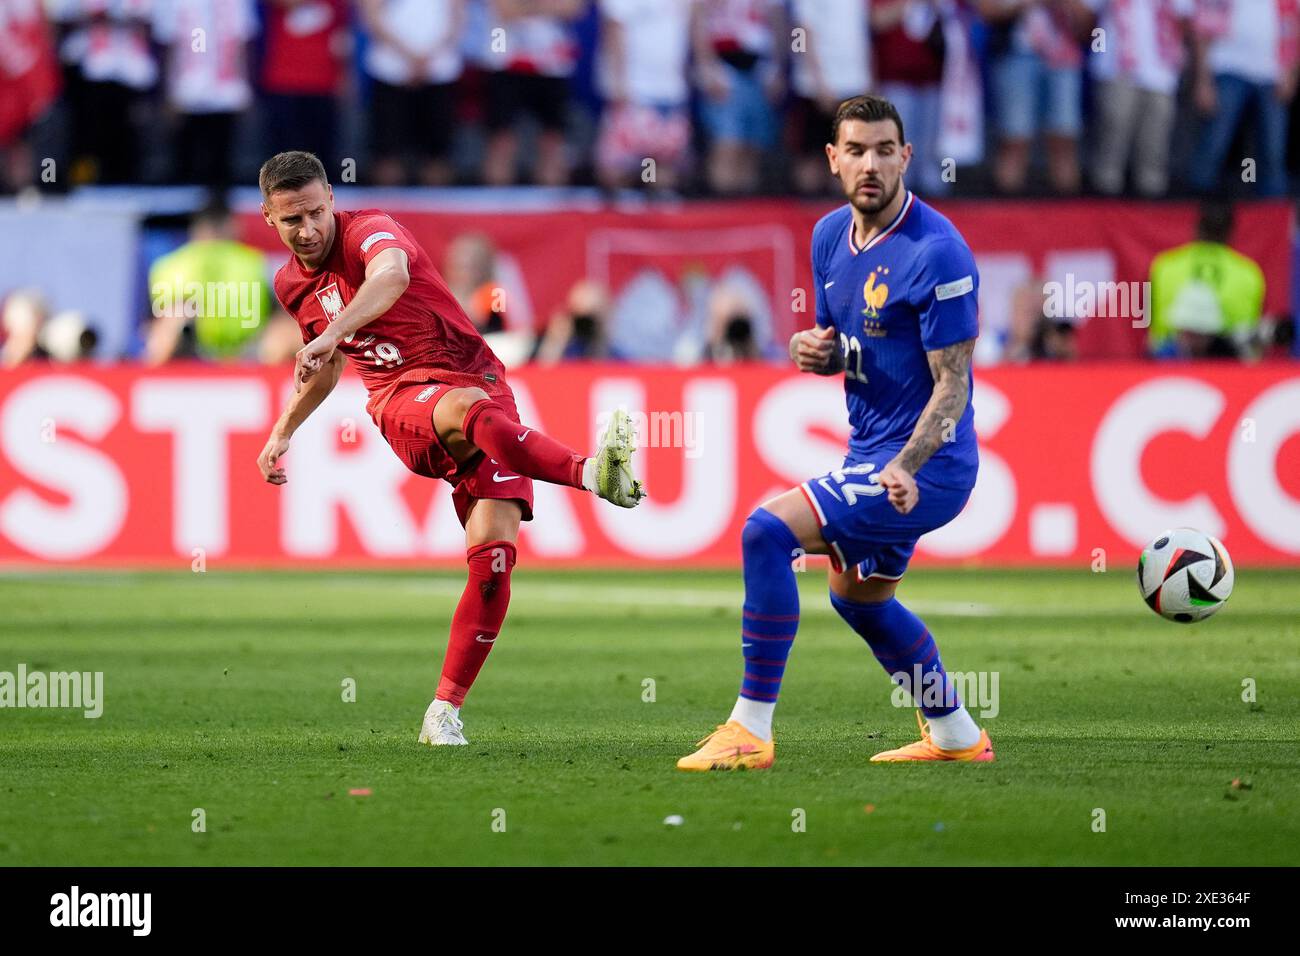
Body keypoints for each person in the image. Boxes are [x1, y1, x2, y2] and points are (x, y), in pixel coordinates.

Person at [254, 151, 645, 747]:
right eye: (291, 221)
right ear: (268, 219)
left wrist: (333, 331)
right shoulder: (290, 284)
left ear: (332, 199)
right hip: (401, 400)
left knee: (492, 564)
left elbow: (392, 277)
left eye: (314, 213)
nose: (306, 230)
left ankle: (443, 711)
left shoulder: (370, 231)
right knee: (462, 408)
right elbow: (326, 366)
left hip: (481, 383)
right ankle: (593, 474)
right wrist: (284, 428)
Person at [678, 95, 991, 771]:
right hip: (871, 451)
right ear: (833, 159)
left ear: (906, 156)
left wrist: (907, 465)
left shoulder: (937, 253)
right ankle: (959, 735)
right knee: (861, 601)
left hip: (929, 466)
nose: (870, 164)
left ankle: (749, 729)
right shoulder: (827, 238)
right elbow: (851, 344)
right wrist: (820, 353)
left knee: (767, 532)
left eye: (884, 150)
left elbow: (954, 384)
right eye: (855, 150)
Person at [145, 199, 277, 363]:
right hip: (241, 351)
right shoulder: (256, 262)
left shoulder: (167, 266)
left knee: (171, 320)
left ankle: (149, 378)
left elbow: (151, 324)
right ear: (232, 227)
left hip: (238, 351)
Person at [1147, 202, 1264, 358]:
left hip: (1167, 364)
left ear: (1197, 228)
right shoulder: (1250, 273)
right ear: (1231, 233)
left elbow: (1153, 328)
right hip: (1233, 364)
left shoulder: (1165, 266)